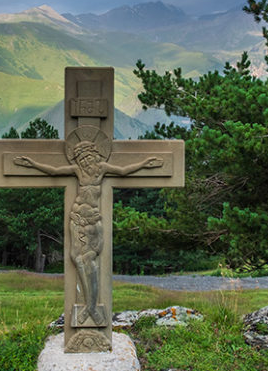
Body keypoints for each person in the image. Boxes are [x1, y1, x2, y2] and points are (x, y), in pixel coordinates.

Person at [15, 137, 161, 326]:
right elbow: (54, 171)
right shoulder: (77, 171)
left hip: (93, 221)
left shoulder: (102, 168)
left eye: (86, 158)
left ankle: (91, 306)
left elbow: (124, 171)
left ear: (94, 155)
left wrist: (144, 164)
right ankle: (90, 306)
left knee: (90, 259)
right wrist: (32, 164)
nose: (84, 162)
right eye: (80, 159)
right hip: (77, 219)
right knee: (76, 257)